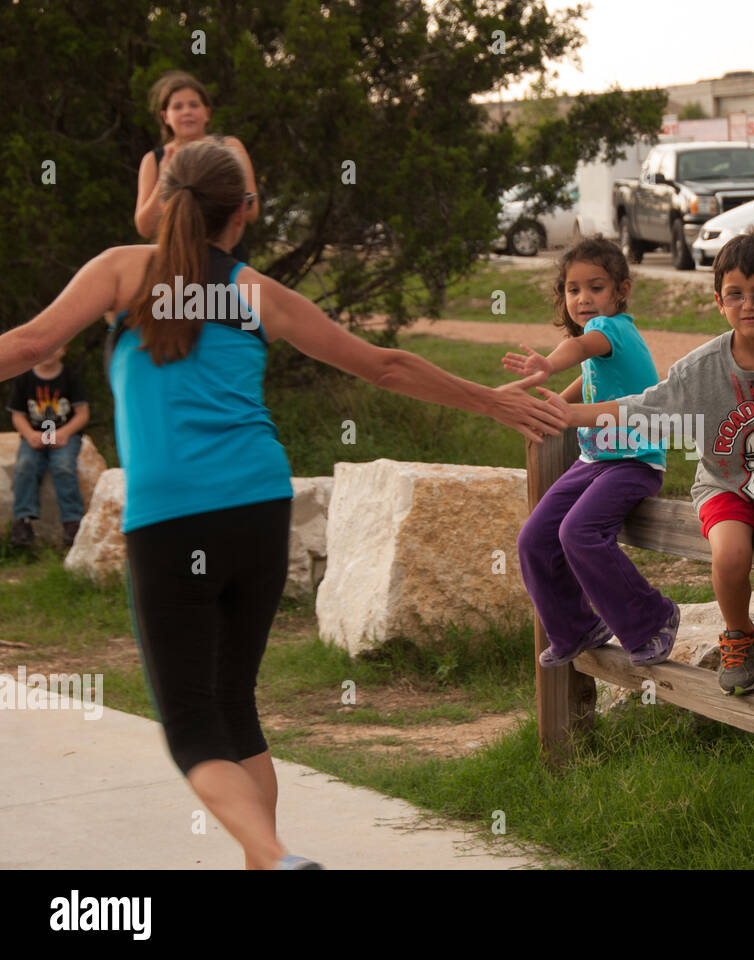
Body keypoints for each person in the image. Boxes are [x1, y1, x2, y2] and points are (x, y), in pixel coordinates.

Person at [0, 139, 565, 869]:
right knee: (236, 705)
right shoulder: (256, 292)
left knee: (192, 724)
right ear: (243, 214)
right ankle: (265, 865)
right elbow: (383, 365)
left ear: (163, 201)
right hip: (260, 507)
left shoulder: (118, 269)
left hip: (172, 518)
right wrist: (489, 402)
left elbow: (29, 342)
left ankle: (271, 856)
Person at [543, 227, 754, 696]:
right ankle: (740, 636)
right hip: (728, 484)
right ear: (718, 302)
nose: (749, 304)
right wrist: (568, 414)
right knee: (730, 554)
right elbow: (641, 407)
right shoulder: (700, 369)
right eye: (736, 294)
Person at [505, 237, 679, 667]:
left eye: (596, 287)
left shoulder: (609, 329)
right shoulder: (597, 339)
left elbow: (579, 349)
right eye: (573, 289)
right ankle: (576, 626)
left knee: (578, 533)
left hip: (635, 461)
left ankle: (653, 617)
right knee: (533, 539)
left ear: (622, 290)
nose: (583, 298)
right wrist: (552, 409)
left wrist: (548, 363)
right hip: (595, 462)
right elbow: (588, 379)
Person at [135, 71, 257, 264]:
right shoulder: (153, 160)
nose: (187, 112)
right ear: (165, 116)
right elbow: (145, 228)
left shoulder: (230, 147)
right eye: (178, 107)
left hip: (227, 259)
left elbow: (251, 210)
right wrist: (164, 179)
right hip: (177, 263)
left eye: (194, 105)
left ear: (207, 113)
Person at [6, 344, 90, 548]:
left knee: (63, 466)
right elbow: (18, 416)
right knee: (25, 465)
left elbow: (82, 413)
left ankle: (72, 522)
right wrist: (29, 434)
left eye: (54, 347)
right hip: (34, 436)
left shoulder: (71, 376)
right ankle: (23, 521)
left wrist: (64, 433)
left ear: (64, 349)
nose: (48, 352)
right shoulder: (24, 378)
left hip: (65, 436)